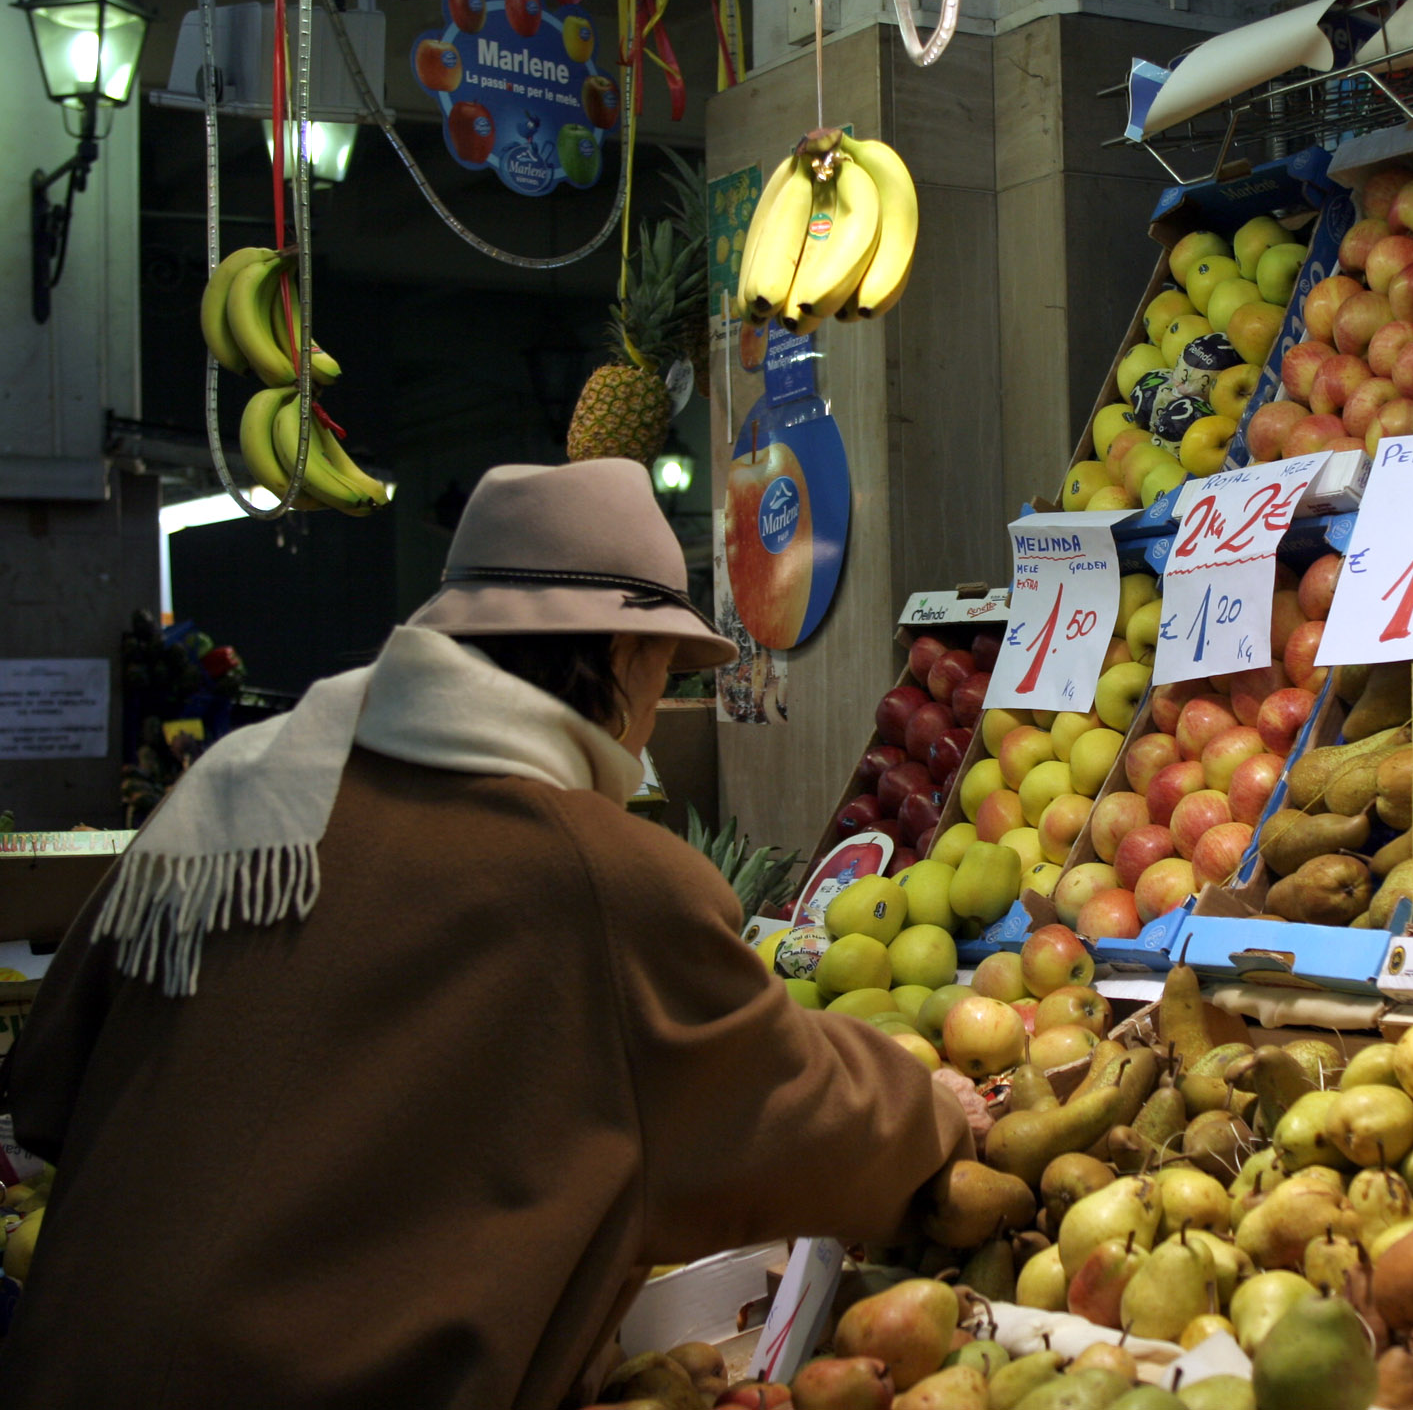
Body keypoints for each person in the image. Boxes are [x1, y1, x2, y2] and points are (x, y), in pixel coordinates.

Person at [0, 461, 976, 1409]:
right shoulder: (592, 873)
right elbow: (791, 1116)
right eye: (665, 668)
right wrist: (933, 1111)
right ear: (622, 657)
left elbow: (46, 1095)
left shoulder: (234, 796)